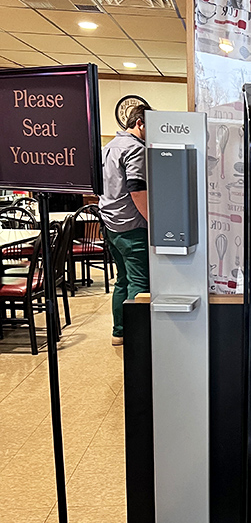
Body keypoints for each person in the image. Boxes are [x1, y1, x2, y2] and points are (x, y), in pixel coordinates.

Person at [99, 105, 151, 346]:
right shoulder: (135, 149)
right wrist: (154, 221)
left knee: (122, 279)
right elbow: (137, 189)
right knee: (139, 282)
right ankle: (136, 340)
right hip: (132, 225)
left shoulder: (108, 147)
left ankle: (118, 332)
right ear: (140, 123)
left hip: (111, 224)